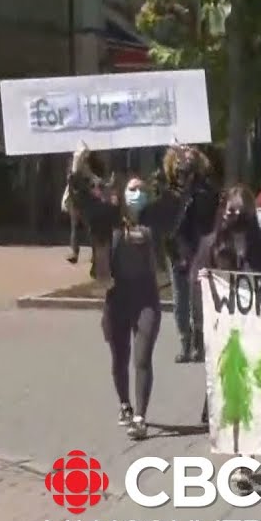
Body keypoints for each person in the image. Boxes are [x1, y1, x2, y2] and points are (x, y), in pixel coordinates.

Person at [192, 184, 261, 491]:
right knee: (234, 397)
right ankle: (239, 459)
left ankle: (245, 460)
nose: (235, 216)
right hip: (225, 336)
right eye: (230, 210)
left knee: (254, 399)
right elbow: (199, 292)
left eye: (241, 211)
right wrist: (201, 328)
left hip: (258, 332)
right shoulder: (211, 245)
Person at [71, 173, 164, 441]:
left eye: (141, 189)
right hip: (117, 298)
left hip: (146, 298)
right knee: (119, 357)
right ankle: (125, 405)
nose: (137, 193)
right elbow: (83, 205)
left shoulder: (153, 222)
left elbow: (174, 207)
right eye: (132, 189)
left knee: (142, 357)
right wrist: (78, 170)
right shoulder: (108, 224)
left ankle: (140, 417)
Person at [157, 145, 220, 364]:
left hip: (198, 251)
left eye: (187, 167)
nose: (182, 171)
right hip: (176, 250)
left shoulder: (206, 190)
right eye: (179, 168)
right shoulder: (167, 190)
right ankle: (184, 342)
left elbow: (208, 219)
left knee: (198, 301)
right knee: (180, 301)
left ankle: (198, 343)